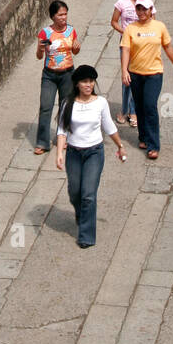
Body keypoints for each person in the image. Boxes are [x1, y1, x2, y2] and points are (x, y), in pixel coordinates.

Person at [55, 64, 126, 247]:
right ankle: (81, 213)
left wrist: (120, 145)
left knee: (88, 194)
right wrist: (59, 154)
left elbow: (109, 127)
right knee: (75, 191)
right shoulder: (68, 103)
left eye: (91, 81)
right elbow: (62, 130)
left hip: (94, 152)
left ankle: (86, 236)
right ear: (77, 84)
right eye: (84, 82)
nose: (88, 85)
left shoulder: (100, 103)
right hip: (73, 152)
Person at [120, 0, 173, 159]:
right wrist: (124, 71)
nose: (141, 12)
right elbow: (125, 50)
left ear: (150, 10)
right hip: (135, 73)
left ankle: (154, 145)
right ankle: (144, 137)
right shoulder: (130, 29)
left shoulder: (159, 27)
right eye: (138, 9)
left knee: (150, 106)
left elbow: (167, 46)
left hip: (154, 74)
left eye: (144, 9)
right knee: (139, 106)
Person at [34, 0, 80, 154]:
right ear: (53, 16)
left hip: (67, 73)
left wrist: (76, 48)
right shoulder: (45, 33)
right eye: (60, 15)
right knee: (45, 107)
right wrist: (41, 48)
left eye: (65, 14)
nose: (63, 17)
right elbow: (39, 56)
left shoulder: (71, 31)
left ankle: (63, 137)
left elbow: (75, 51)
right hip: (49, 74)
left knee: (65, 106)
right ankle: (42, 142)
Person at [110, 0, 156, 127]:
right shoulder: (122, 3)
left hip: (142, 46)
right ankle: (125, 110)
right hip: (127, 44)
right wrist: (125, 32)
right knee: (127, 78)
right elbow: (114, 21)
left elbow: (153, 23)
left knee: (138, 78)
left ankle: (133, 111)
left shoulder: (148, 3)